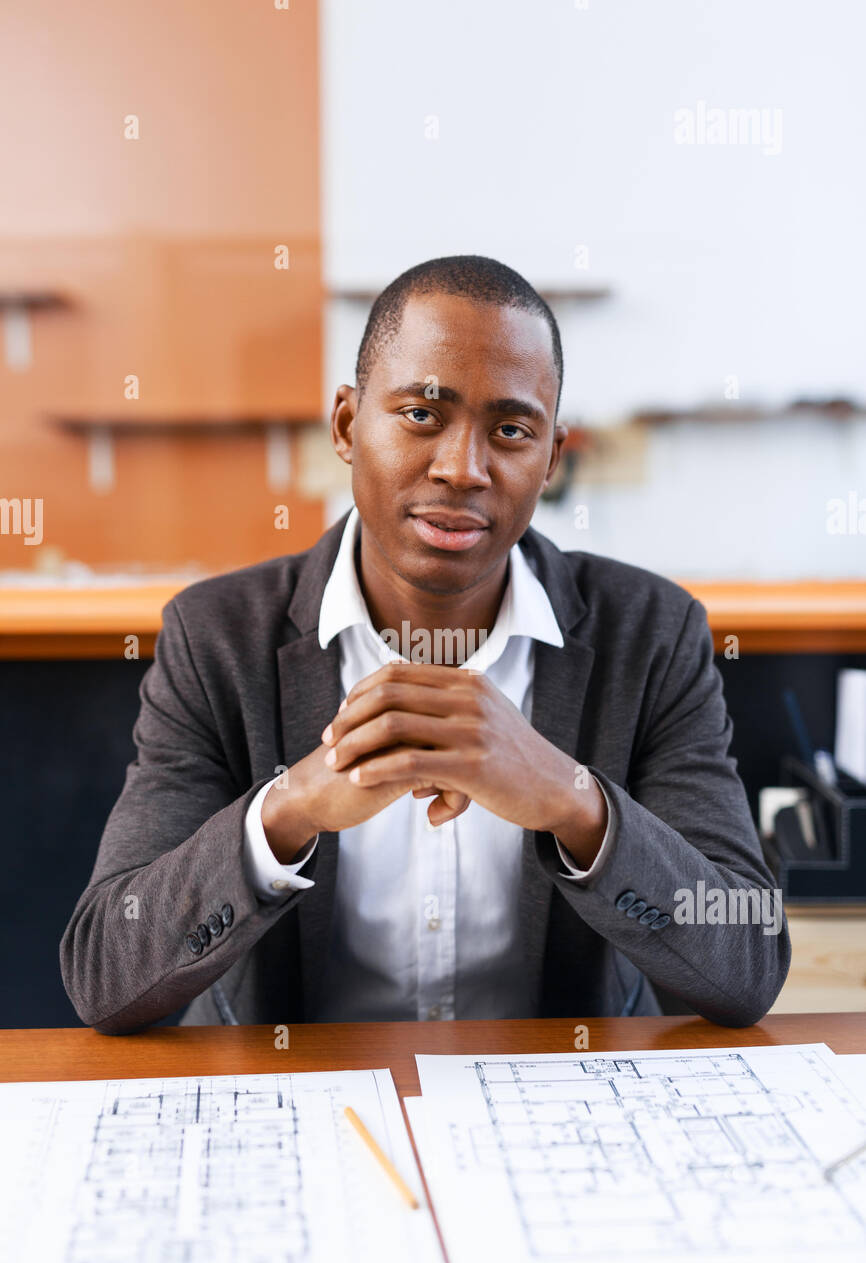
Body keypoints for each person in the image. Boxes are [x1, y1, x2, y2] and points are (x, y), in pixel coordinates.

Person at [60, 254, 789, 1033]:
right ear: (346, 425)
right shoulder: (216, 637)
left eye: (510, 430)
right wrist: (288, 810)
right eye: (421, 416)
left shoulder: (651, 633)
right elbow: (108, 974)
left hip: (546, 1106)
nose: (462, 468)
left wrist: (573, 801)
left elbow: (744, 963)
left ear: (551, 460)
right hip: (309, 1103)